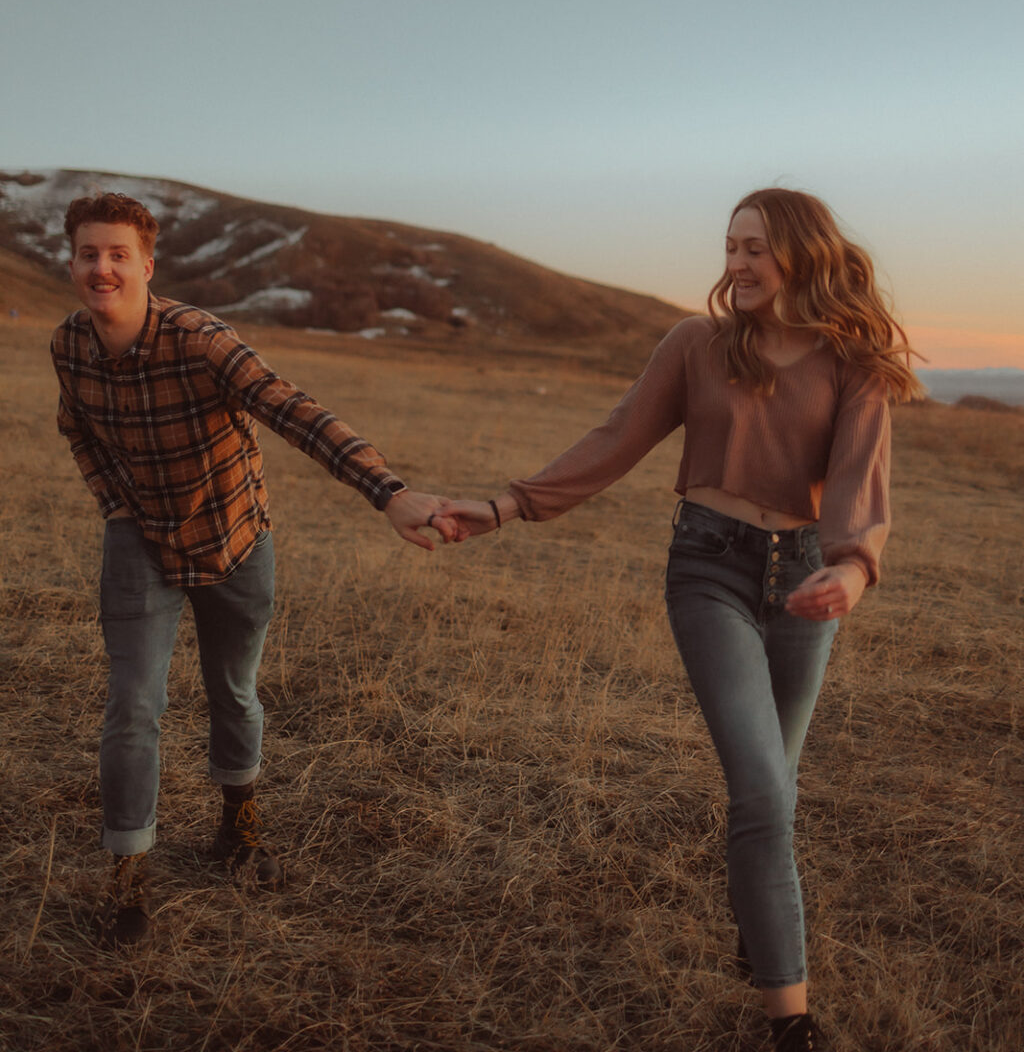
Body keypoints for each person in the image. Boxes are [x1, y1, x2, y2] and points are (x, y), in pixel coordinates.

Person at [439, 188, 921, 1052]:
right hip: (710, 569)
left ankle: (757, 934)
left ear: (803, 258)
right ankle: (792, 1022)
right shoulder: (696, 344)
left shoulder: (852, 363)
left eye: (755, 250)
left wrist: (850, 564)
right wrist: (506, 505)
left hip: (808, 579)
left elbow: (858, 479)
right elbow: (618, 437)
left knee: (777, 779)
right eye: (730, 247)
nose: (735, 265)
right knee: (763, 790)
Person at [51, 192, 457, 947]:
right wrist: (113, 504)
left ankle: (239, 827)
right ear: (72, 261)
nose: (101, 268)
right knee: (132, 708)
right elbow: (76, 428)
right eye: (87, 254)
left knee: (232, 690)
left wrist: (389, 493)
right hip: (141, 541)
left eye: (116, 255)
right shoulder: (69, 346)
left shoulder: (200, 340)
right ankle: (129, 883)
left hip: (236, 539)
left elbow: (293, 410)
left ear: (146, 265)